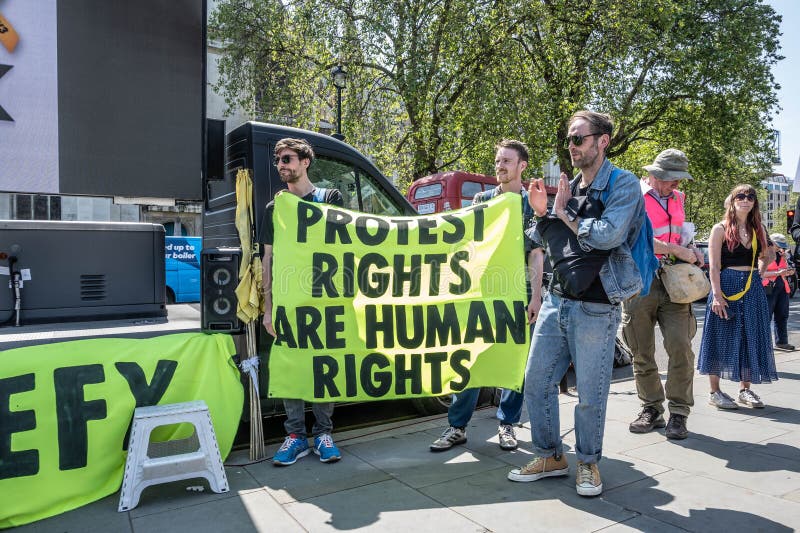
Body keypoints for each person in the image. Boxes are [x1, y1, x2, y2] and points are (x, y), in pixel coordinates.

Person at [508, 110, 645, 497]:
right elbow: (546, 241)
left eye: (579, 139)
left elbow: (606, 236)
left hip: (597, 306)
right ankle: (551, 456)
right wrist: (542, 212)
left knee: (590, 392)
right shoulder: (572, 187)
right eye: (569, 139)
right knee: (536, 382)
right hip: (558, 298)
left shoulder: (623, 184)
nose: (571, 146)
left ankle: (588, 462)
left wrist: (563, 213)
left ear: (602, 141)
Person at [430, 139, 545, 452]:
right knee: (469, 359)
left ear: (522, 166)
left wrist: (535, 297)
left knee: (514, 363)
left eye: (507, 160)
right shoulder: (481, 199)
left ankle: (507, 424)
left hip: (517, 293)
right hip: (481, 294)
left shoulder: (529, 204)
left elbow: (536, 254)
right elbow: (467, 246)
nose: (500, 166)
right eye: (498, 160)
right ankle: (457, 427)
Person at [259, 137, 344, 466]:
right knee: (291, 367)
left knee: (324, 367)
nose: (281, 164)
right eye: (278, 160)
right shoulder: (273, 208)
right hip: (287, 303)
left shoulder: (330, 198)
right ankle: (295, 436)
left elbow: (346, 243)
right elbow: (267, 260)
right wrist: (268, 308)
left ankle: (324, 433)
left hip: (325, 300)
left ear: (305, 162)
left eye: (288, 158)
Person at [622, 149, 704, 441]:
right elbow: (633, 239)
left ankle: (679, 413)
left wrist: (690, 250)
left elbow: (680, 235)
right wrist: (674, 250)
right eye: (673, 180)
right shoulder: (632, 197)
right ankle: (651, 409)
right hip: (639, 282)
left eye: (680, 181)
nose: (677, 186)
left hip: (675, 282)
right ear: (656, 175)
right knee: (641, 350)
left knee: (681, 345)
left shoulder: (678, 199)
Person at [697, 184, 778, 410]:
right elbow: (713, 266)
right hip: (727, 287)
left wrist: (760, 270)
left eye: (750, 196)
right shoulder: (720, 229)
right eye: (741, 196)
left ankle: (745, 389)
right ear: (732, 201)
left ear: (755, 203)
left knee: (749, 336)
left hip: (752, 288)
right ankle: (715, 392)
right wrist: (716, 295)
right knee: (719, 336)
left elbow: (767, 254)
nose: (746, 199)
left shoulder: (757, 228)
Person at [763, 233, 795, 351]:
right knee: (766, 317)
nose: (780, 247)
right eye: (778, 245)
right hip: (768, 288)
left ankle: (782, 341)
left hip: (782, 288)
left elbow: (790, 268)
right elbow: (760, 273)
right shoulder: (763, 253)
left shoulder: (783, 255)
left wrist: (790, 270)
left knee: (782, 315)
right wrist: (777, 273)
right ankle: (764, 344)